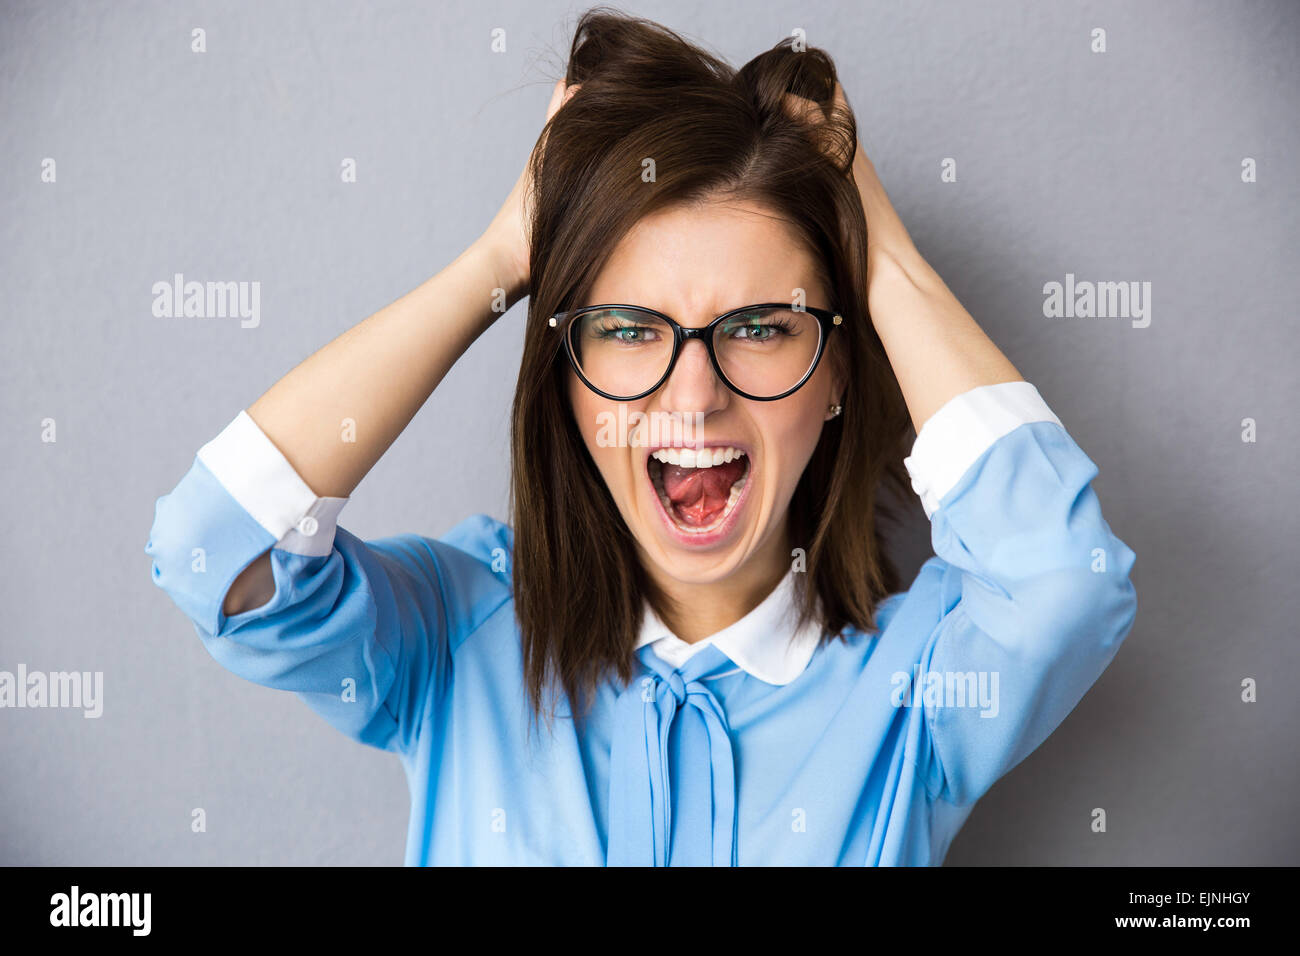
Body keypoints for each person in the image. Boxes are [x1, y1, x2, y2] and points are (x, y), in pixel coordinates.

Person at [145, 9, 1137, 865]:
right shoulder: (457, 635)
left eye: (759, 325)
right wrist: (501, 257)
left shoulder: (919, 687)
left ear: (836, 371)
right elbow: (213, 555)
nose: (693, 395)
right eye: (628, 328)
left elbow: (1069, 580)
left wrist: (872, 244)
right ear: (568, 380)